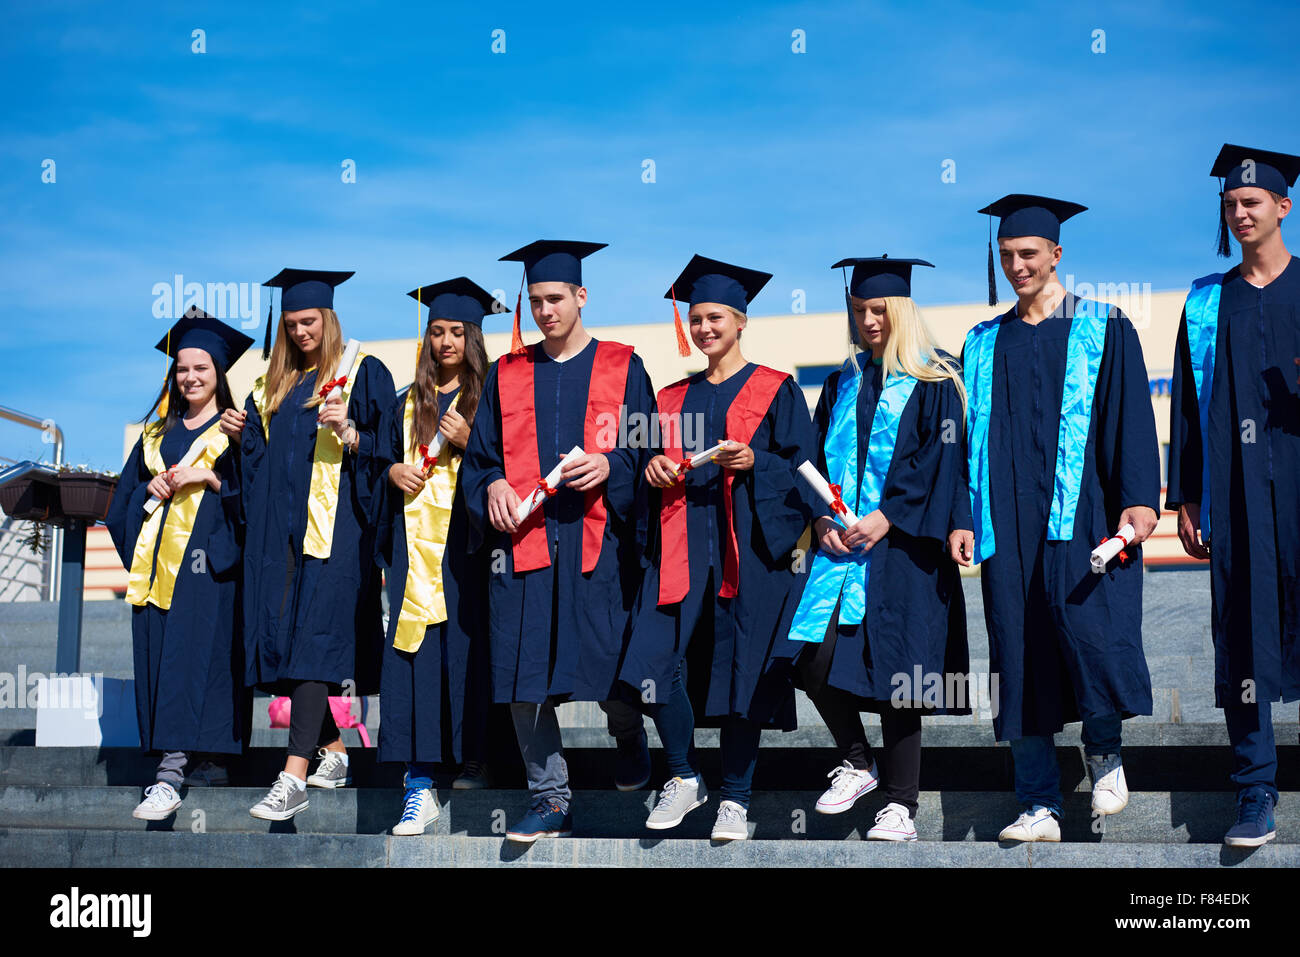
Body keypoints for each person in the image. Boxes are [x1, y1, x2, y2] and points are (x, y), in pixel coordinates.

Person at [948, 195, 1161, 842]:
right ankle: (1038, 801)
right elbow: (963, 437)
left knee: (1093, 630)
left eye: (1029, 254)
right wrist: (962, 513)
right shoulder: (982, 342)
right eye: (1007, 254)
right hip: (1005, 523)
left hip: (1085, 510)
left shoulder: (1104, 325)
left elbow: (1130, 420)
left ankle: (1104, 750)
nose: (1017, 264)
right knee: (1016, 650)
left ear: (1057, 255)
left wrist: (1140, 497)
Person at [461, 240, 655, 842]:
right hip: (529, 548)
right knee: (525, 677)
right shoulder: (507, 372)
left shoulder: (624, 365)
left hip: (600, 547)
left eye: (556, 299)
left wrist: (612, 467)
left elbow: (648, 451)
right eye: (537, 301)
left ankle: (629, 739)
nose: (545, 311)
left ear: (581, 297)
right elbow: (481, 458)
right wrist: (491, 483)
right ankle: (549, 798)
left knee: (613, 665)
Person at [618, 255, 815, 842]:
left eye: (716, 318)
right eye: (697, 318)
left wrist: (759, 462)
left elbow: (807, 472)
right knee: (649, 663)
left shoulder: (775, 389)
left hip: (748, 553)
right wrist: (650, 468)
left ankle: (736, 800)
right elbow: (642, 467)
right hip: (678, 547)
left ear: (741, 320)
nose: (705, 328)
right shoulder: (670, 396)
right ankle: (682, 775)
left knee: (741, 677)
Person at [784, 257, 970, 841]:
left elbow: (942, 462)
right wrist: (821, 517)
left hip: (905, 552)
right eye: (860, 310)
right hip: (841, 548)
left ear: (903, 313)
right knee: (809, 657)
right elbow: (809, 460)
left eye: (879, 310)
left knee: (901, 678)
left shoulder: (938, 376)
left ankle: (901, 806)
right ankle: (858, 761)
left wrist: (888, 517)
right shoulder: (842, 380)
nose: (868, 320)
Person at [219, 268, 396, 821]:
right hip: (279, 541)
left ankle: (292, 775)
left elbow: (389, 449)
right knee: (291, 646)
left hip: (337, 535)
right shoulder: (271, 388)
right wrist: (241, 438)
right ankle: (336, 750)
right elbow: (258, 472)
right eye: (291, 324)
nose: (299, 332)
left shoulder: (360, 373)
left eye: (309, 321)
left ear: (329, 319)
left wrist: (354, 433)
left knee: (315, 642)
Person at [1167, 144, 1300, 847]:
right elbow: (1187, 407)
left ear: (1284, 205)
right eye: (1230, 204)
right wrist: (1186, 495)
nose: (1241, 211)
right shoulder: (1205, 304)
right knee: (1245, 640)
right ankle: (1255, 790)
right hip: (1238, 497)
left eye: (1252, 202)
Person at [106, 308, 254, 820]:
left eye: (202, 369)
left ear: (219, 375)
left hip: (207, 573)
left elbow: (254, 501)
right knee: (165, 664)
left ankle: (170, 775)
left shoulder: (231, 433)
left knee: (196, 667)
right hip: (153, 576)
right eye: (182, 369)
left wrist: (209, 479)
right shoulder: (152, 436)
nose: (190, 377)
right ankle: (202, 762)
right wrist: (148, 489)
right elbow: (119, 507)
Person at [372, 277, 495, 835]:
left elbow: (513, 467)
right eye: (438, 331)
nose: (447, 342)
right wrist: (389, 472)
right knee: (416, 657)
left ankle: (474, 758)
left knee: (469, 651)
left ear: (473, 339)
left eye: (458, 333)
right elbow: (369, 474)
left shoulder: (492, 399)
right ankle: (419, 783)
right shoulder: (402, 405)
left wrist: (473, 441)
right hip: (413, 554)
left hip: (470, 551)